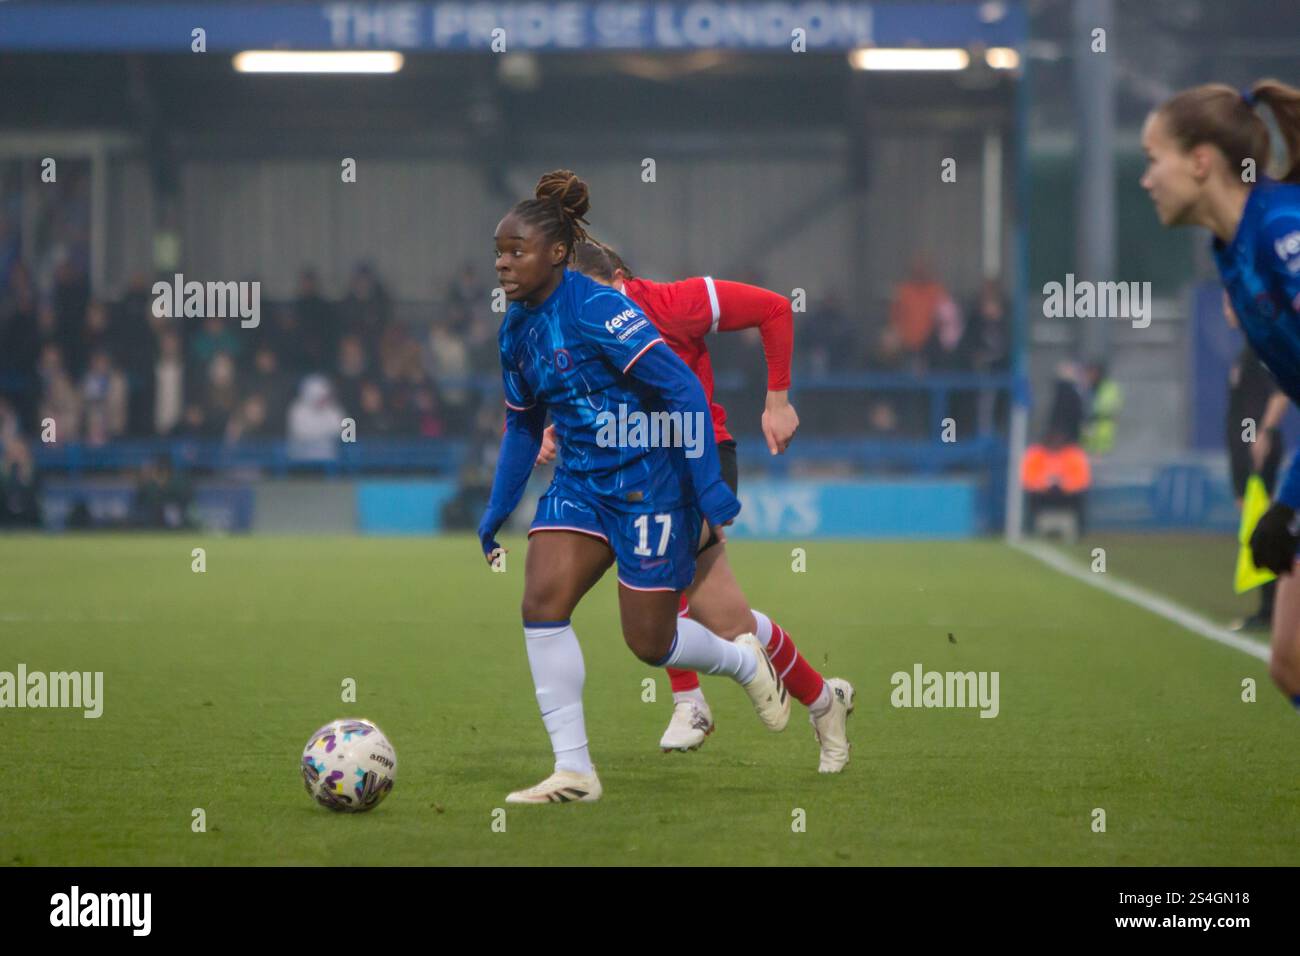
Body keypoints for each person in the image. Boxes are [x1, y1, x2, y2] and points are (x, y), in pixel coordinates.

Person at [478, 170, 786, 804]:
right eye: (499, 253)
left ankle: (743, 661)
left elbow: (679, 389)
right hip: (582, 483)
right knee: (541, 605)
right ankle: (575, 771)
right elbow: (520, 425)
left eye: (517, 252)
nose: (504, 266)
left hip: (650, 480)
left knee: (651, 643)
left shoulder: (599, 309)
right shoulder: (516, 329)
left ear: (557, 254)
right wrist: (495, 510)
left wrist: (709, 487)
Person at [551, 239, 854, 772]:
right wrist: (554, 428)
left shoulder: (674, 302)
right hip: (640, 469)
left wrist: (777, 401)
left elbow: (775, 309)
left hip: (702, 456)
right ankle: (825, 703)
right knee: (730, 619)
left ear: (622, 278)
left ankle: (689, 702)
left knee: (652, 556)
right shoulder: (580, 329)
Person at [1140, 77, 1300, 712]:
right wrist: (1284, 503)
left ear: (1201, 162)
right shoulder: (1231, 257)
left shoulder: (1281, 230)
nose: (1147, 179)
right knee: (1288, 662)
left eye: (1156, 160)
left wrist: (1289, 502)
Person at [1223, 290, 1288, 631]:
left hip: (1258, 451)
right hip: (1246, 454)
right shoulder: (1246, 349)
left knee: (1266, 527)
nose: (1226, 310)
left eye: (1229, 302)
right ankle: (1268, 607)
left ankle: (1272, 609)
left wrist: (1262, 433)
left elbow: (1282, 390)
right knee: (1255, 527)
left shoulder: (1262, 346)